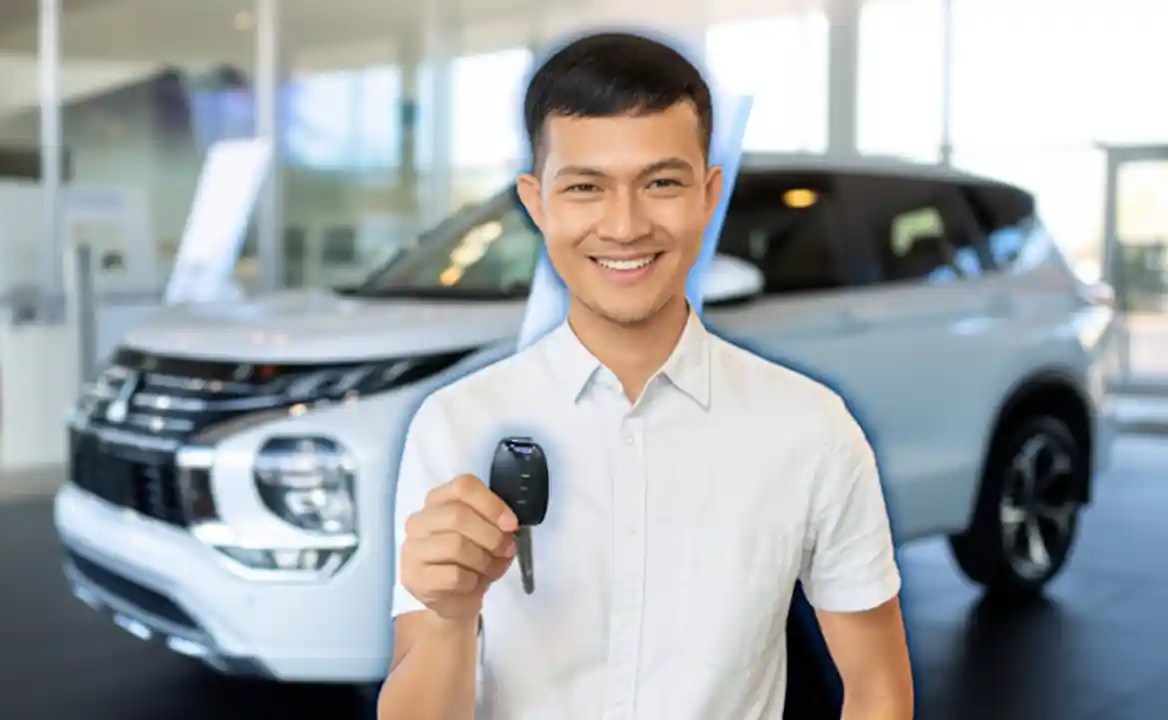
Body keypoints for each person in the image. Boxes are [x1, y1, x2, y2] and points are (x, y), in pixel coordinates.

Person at [378, 31, 914, 720]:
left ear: (708, 196)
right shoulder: (456, 425)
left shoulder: (810, 429)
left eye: (660, 183)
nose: (625, 225)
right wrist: (452, 617)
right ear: (537, 203)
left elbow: (878, 687)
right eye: (585, 188)